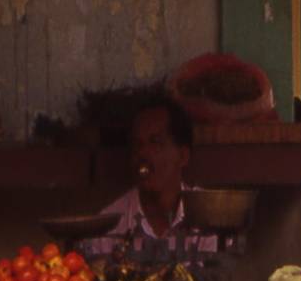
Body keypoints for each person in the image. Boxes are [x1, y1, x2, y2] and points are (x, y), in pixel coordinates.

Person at [88, 98, 216, 255]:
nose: (143, 153)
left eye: (155, 143)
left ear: (183, 156)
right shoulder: (108, 227)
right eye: (137, 145)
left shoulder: (208, 220)